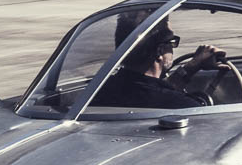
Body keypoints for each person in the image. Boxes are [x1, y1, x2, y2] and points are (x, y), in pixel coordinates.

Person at [94, 10, 231, 109]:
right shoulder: (183, 106)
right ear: (160, 50)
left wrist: (192, 66)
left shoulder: (99, 91)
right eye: (172, 41)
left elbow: (149, 88)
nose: (173, 47)